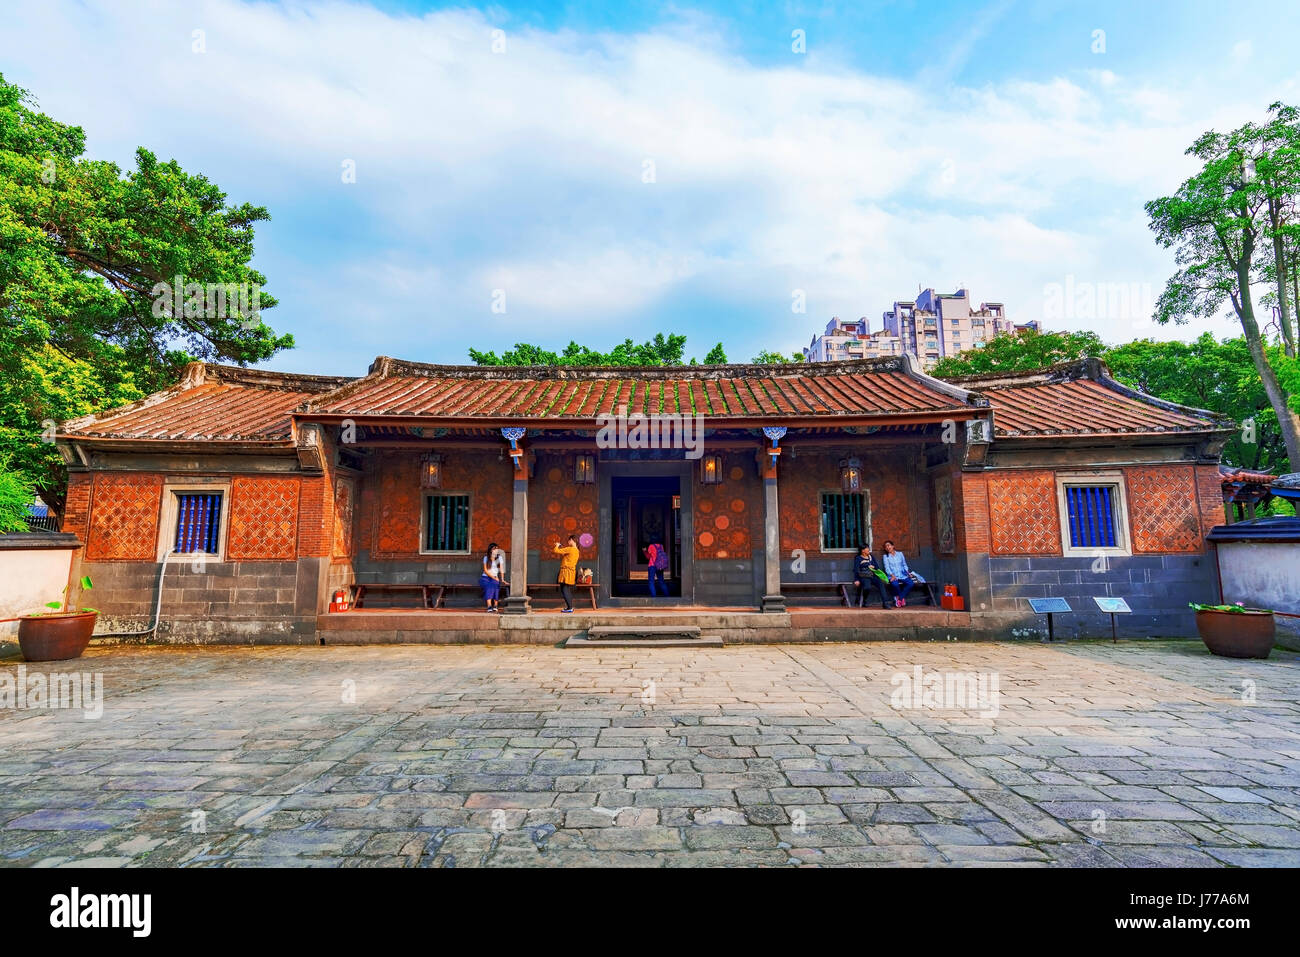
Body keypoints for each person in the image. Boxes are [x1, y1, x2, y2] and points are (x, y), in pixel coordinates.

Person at [881, 540, 914, 607]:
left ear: (893, 546)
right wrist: (892, 575)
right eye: (885, 547)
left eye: (888, 545)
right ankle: (901, 599)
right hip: (893, 575)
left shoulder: (900, 554)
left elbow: (904, 564)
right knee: (895, 585)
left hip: (902, 574)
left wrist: (908, 573)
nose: (887, 547)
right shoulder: (885, 556)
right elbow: (887, 568)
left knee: (911, 583)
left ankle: (899, 598)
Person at [553, 535, 579, 613]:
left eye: (569, 540)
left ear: (572, 540)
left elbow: (556, 551)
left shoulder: (570, 549)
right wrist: (561, 546)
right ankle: (569, 607)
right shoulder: (576, 550)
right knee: (567, 589)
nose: (568, 542)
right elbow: (566, 554)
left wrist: (557, 546)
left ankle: (570, 608)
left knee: (564, 589)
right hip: (571, 572)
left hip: (566, 572)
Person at [480, 542, 507, 612]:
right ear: (491, 550)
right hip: (485, 578)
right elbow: (485, 570)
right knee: (489, 585)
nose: (497, 550)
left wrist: (502, 579)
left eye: (497, 549)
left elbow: (501, 569)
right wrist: (493, 577)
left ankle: (495, 605)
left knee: (495, 584)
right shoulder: (486, 558)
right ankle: (489, 606)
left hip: (495, 578)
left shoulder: (500, 558)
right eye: (495, 549)